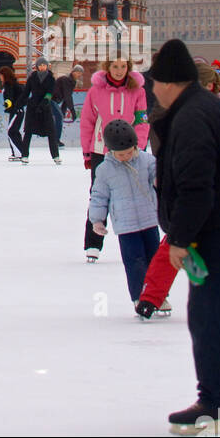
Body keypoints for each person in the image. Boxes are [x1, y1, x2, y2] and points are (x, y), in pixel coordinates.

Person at [148, 39, 220, 435]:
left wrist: (180, 239)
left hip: (214, 235)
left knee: (209, 319)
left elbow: (197, 188)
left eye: (155, 83)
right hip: (219, 231)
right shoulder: (202, 108)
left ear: (169, 82)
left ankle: (217, 401)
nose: (151, 89)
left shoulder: (193, 117)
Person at [80, 58, 149, 259]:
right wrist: (87, 152)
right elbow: (87, 121)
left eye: (123, 67)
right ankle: (93, 243)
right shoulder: (96, 90)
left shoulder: (138, 90)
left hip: (129, 150)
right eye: (115, 66)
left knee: (132, 196)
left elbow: (142, 120)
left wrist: (139, 147)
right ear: (107, 67)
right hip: (101, 150)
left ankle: (136, 242)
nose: (119, 71)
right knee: (98, 195)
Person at [89, 120, 160, 308]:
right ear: (111, 150)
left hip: (149, 220)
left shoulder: (146, 160)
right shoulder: (104, 170)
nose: (127, 156)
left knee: (155, 261)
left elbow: (158, 175)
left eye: (130, 151)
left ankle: (158, 297)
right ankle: (139, 297)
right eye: (121, 154)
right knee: (134, 262)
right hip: (126, 227)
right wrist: (97, 220)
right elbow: (98, 196)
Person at [18, 58, 61, 164]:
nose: (42, 67)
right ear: (37, 66)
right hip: (32, 108)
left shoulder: (51, 78)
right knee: (28, 132)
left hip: (45, 108)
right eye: (40, 65)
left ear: (47, 66)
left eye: (44, 65)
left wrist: (44, 103)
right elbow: (26, 92)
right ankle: (24, 155)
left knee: (51, 132)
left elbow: (50, 93)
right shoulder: (32, 77)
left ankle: (56, 155)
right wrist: (19, 103)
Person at [0, 64, 25, 160]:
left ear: (4, 75)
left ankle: (20, 153)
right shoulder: (14, 84)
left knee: (11, 132)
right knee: (14, 131)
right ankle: (20, 152)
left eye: (0, 75)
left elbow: (9, 98)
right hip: (18, 111)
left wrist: (7, 104)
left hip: (16, 111)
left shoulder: (9, 85)